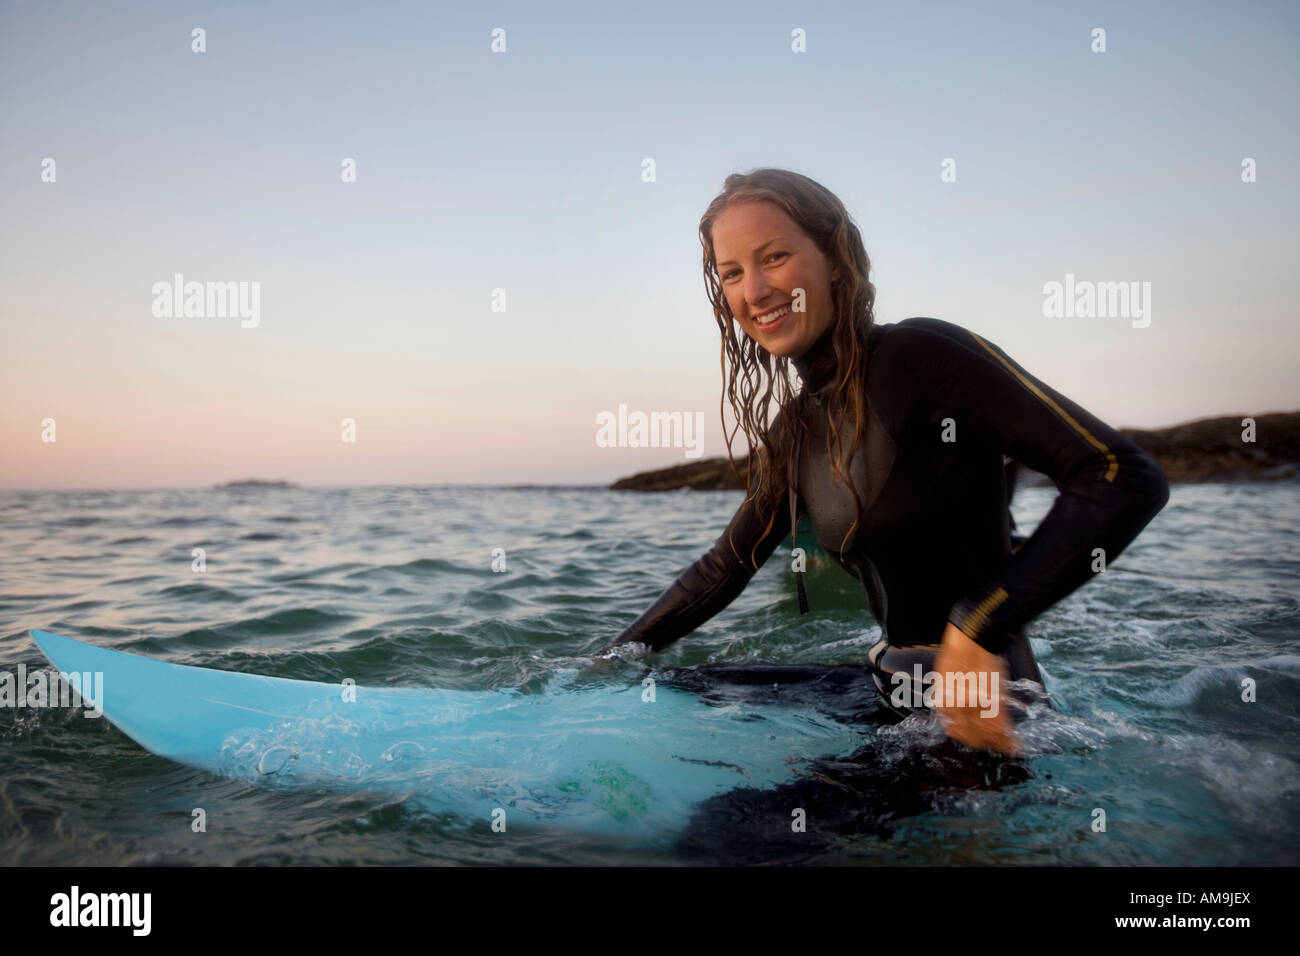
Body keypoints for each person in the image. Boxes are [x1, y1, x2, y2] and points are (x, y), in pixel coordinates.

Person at [602, 168, 1170, 755]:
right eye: (732, 273)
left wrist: (979, 625)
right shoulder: (795, 430)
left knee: (724, 839)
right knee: (669, 688)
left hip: (979, 715)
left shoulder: (919, 357)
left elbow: (1120, 476)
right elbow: (725, 568)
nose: (755, 291)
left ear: (836, 260)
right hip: (888, 687)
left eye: (774, 258)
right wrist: (603, 662)